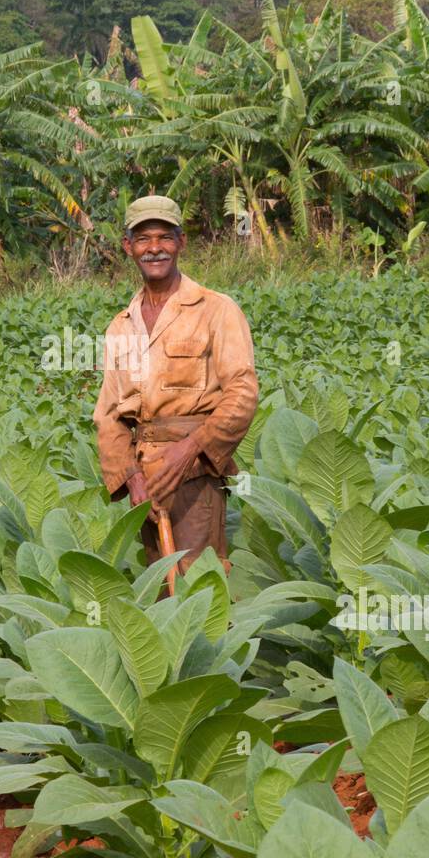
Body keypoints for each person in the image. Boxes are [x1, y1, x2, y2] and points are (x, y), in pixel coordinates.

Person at [93, 195, 258, 576]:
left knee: (199, 584)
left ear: (181, 243)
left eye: (164, 238)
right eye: (143, 239)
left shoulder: (216, 309)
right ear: (128, 246)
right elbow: (109, 415)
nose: (154, 249)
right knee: (162, 589)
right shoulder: (121, 325)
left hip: (196, 476)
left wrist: (189, 450)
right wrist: (132, 478)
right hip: (146, 483)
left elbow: (242, 393)